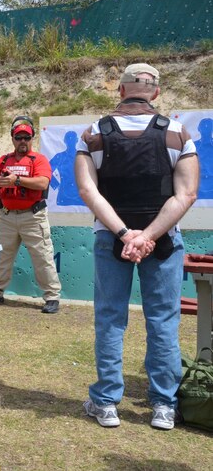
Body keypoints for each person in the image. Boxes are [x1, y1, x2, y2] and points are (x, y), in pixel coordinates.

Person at [75, 63, 199, 430]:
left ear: (121, 90)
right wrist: (148, 236)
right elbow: (187, 193)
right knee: (162, 321)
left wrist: (126, 234)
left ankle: (106, 402)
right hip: (162, 242)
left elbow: (87, 191)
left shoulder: (94, 133)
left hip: (111, 239)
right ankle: (163, 405)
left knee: (110, 318)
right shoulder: (177, 132)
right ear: (156, 93)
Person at [0, 116, 62, 314]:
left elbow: (43, 183)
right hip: (8, 216)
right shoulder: (3, 160)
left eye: (26, 137)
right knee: (2, 257)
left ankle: (52, 297)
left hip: (33, 216)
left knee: (42, 257)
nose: (23, 141)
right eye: (19, 138)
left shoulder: (39, 160)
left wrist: (17, 180)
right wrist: (2, 180)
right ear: (13, 139)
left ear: (32, 138)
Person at [49, 131, 85, 206]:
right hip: (63, 197)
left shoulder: (83, 156)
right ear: (65, 141)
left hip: (81, 197)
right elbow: (47, 170)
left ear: (76, 140)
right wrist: (55, 184)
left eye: (72, 139)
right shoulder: (60, 157)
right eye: (69, 138)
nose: (70, 141)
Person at [195, 117, 212, 199]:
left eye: (208, 127)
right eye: (203, 126)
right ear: (199, 128)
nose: (206, 129)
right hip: (197, 187)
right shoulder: (193, 145)